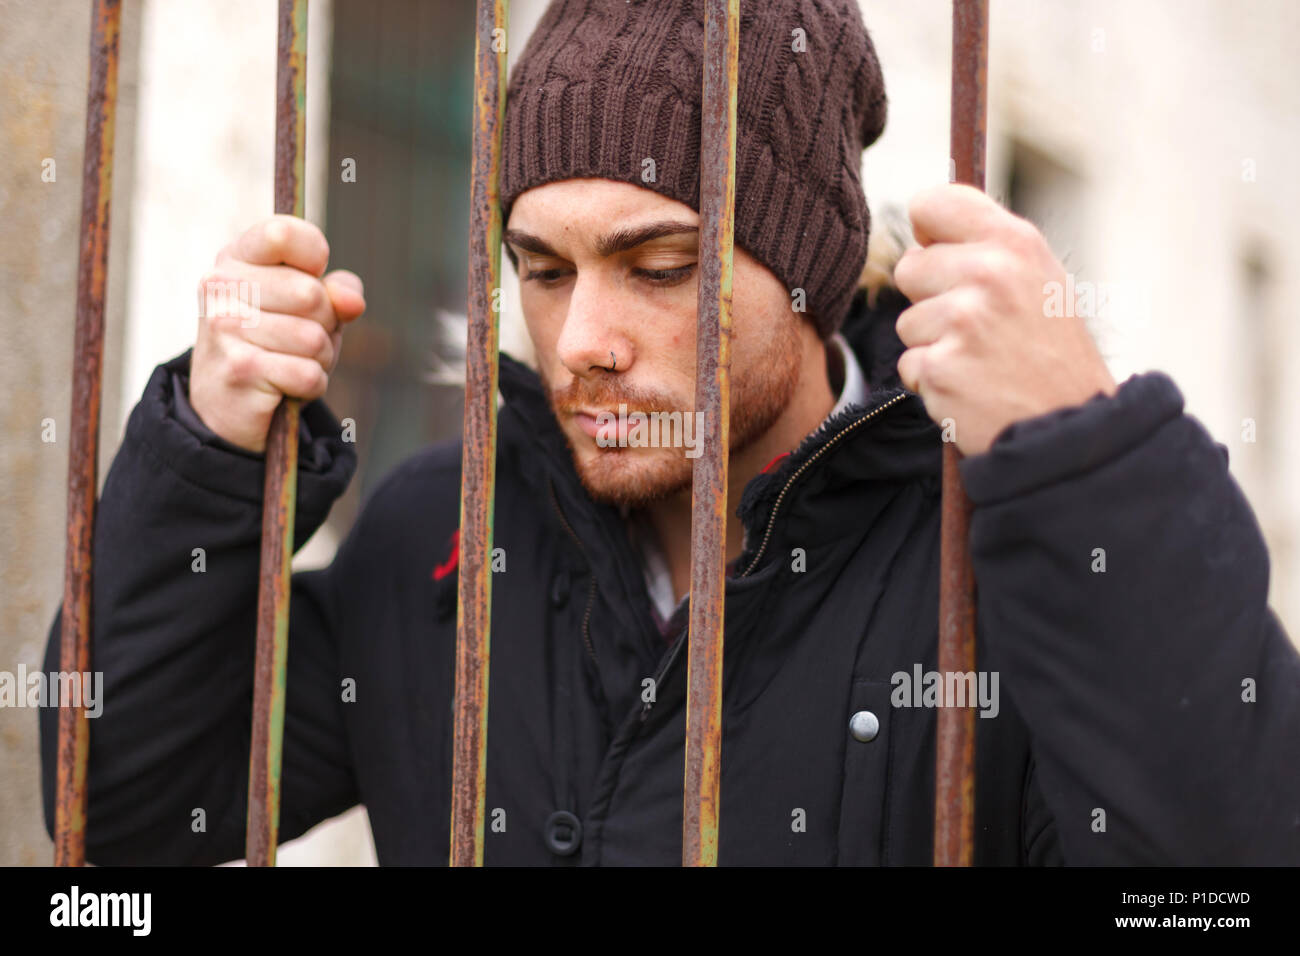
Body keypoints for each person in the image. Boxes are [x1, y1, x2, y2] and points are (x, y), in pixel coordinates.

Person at [40, 0, 1300, 865]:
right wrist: (202, 451)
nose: (581, 332)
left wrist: (1084, 457)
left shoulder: (993, 561)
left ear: (806, 265)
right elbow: (124, 821)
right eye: (540, 267)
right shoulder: (450, 532)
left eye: (659, 263)